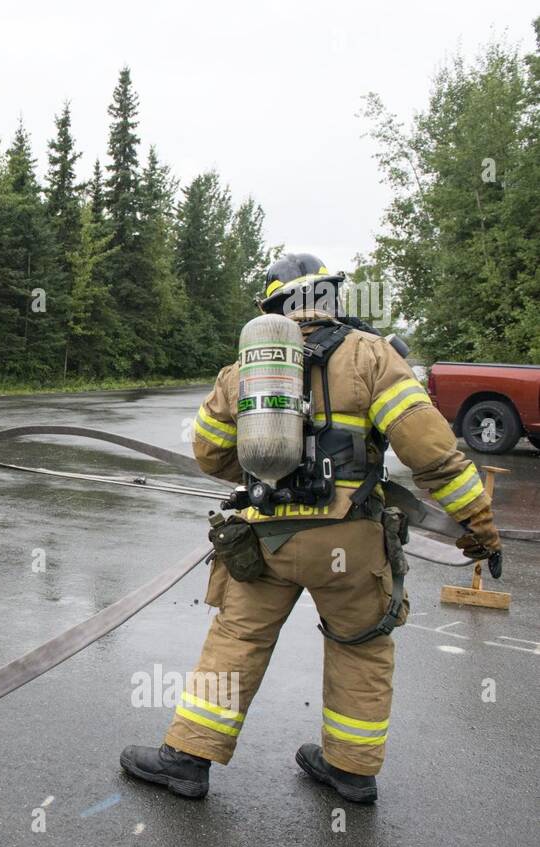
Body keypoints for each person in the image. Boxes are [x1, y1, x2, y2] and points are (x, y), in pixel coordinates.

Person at [120, 253, 504, 803]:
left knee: (238, 639)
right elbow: (432, 453)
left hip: (267, 540)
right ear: (331, 298)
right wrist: (479, 524)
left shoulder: (247, 369)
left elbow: (209, 453)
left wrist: (259, 465)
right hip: (352, 541)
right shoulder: (372, 356)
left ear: (274, 307)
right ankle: (350, 769)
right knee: (361, 647)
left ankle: (188, 757)